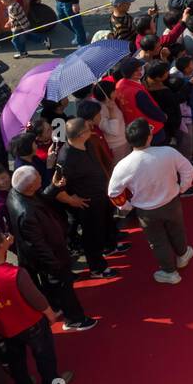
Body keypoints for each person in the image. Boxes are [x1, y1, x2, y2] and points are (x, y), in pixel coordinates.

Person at [0, 223, 74, 384]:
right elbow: (36, 298)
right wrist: (50, 313)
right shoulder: (15, 273)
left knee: (16, 359)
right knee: (44, 354)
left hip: (3, 327)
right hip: (30, 323)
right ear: (1, 246)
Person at [107, 118, 193, 284]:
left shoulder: (123, 165)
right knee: (177, 230)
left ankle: (169, 272)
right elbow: (187, 170)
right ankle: (183, 255)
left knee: (157, 241)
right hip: (172, 202)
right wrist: (182, 188)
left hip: (146, 211)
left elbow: (113, 192)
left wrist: (126, 206)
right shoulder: (167, 152)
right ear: (149, 137)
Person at [7, 165, 96, 330]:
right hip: (51, 257)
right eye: (39, 178)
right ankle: (75, 319)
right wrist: (56, 265)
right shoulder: (27, 213)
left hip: (49, 254)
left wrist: (54, 187)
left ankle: (58, 306)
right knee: (63, 288)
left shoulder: (17, 193)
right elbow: (37, 244)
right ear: (31, 186)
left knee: (57, 286)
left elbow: (42, 198)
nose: (42, 178)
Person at [52, 117, 119, 279]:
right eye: (88, 129)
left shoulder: (87, 143)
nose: (91, 130)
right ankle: (97, 268)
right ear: (81, 134)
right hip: (88, 204)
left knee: (102, 228)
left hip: (101, 196)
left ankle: (107, 248)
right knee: (91, 237)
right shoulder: (66, 158)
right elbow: (57, 186)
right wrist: (70, 199)